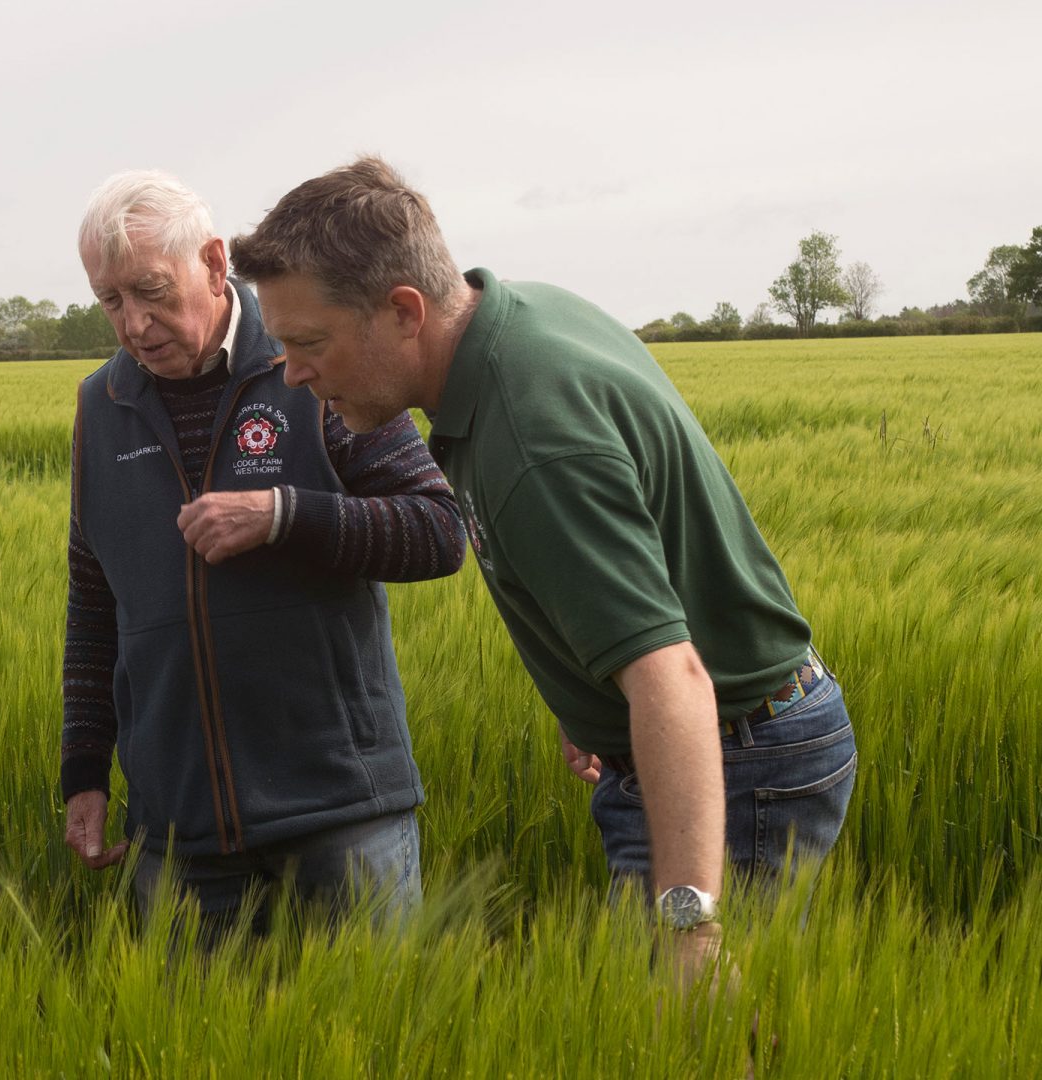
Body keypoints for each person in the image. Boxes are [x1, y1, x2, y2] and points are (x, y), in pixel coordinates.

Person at [229, 156, 857, 977]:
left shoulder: (530, 434)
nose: (293, 373)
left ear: (403, 311)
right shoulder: (513, 322)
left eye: (309, 342)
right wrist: (588, 679)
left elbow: (672, 679)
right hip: (736, 740)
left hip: (732, 761)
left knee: (691, 1023)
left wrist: (691, 925)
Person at [62, 171, 467, 933]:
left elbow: (437, 530)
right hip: (180, 831)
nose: (135, 322)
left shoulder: (314, 362)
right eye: (111, 300)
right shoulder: (99, 407)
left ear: (215, 264)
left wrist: (287, 514)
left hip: (341, 811)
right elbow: (94, 603)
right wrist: (84, 772)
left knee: (375, 1044)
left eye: (152, 290)